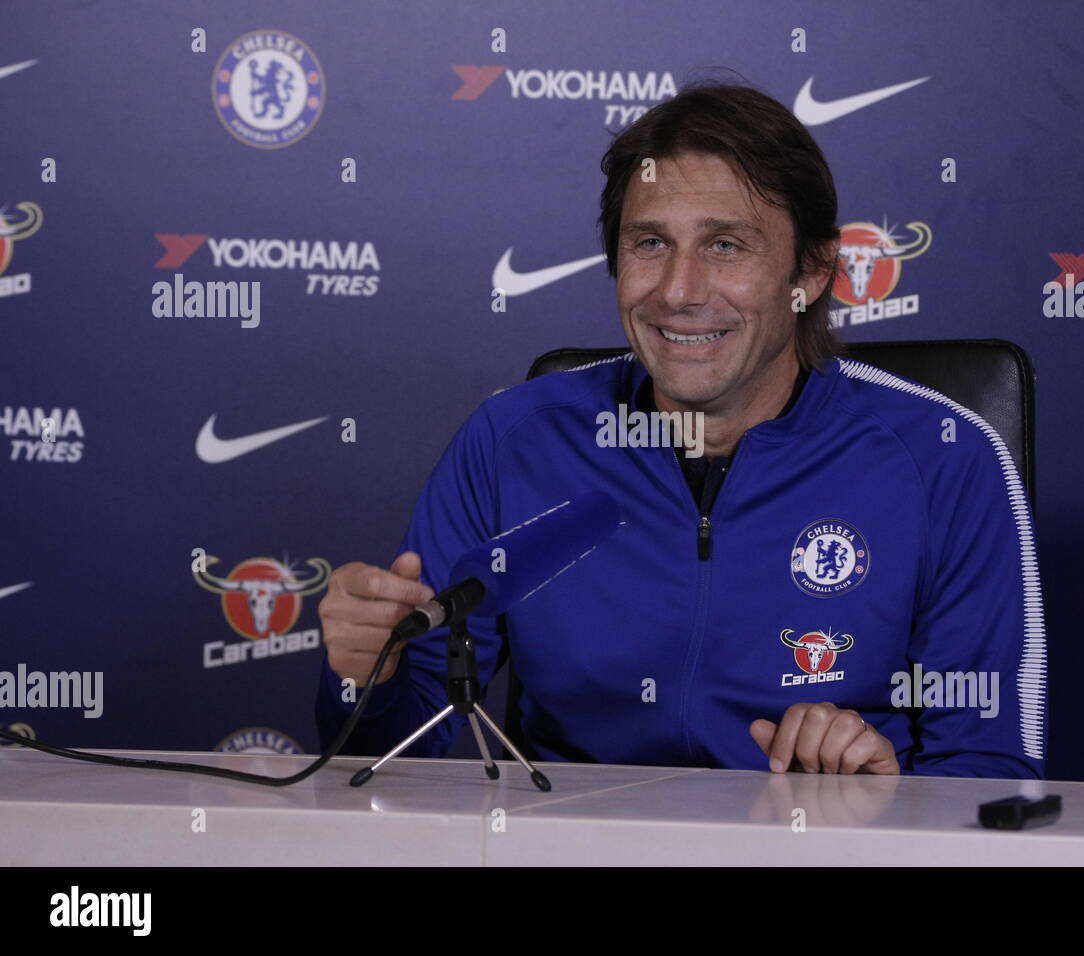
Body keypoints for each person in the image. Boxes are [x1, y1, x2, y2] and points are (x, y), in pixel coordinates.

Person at [316, 84, 1046, 777]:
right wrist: (364, 678)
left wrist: (889, 799)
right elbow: (393, 764)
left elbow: (990, 778)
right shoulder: (515, 443)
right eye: (650, 244)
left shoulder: (945, 457)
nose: (679, 291)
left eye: (726, 245)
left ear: (815, 270)